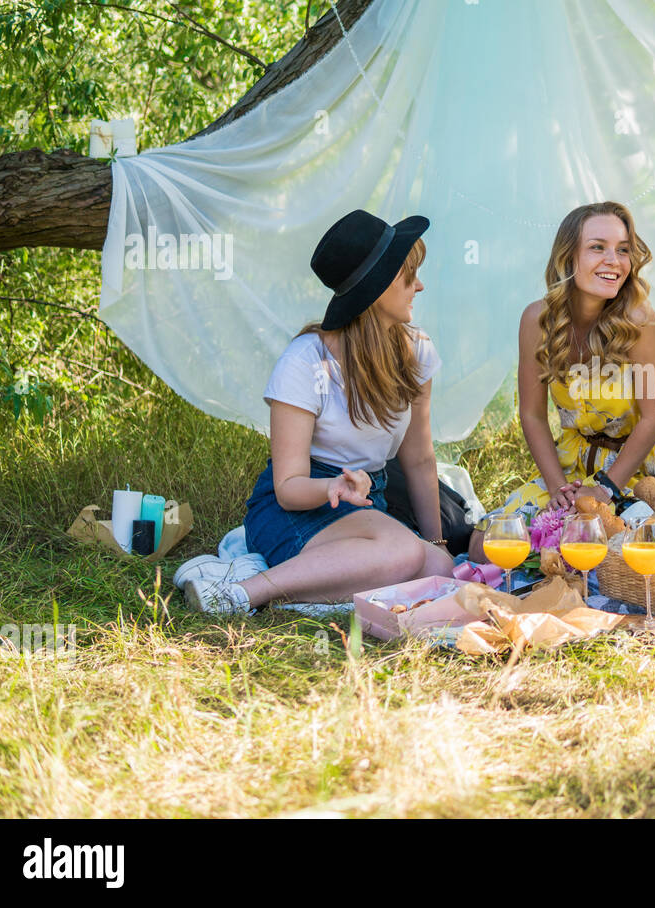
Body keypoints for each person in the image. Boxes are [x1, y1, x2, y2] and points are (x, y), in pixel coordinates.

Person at [182, 209, 455, 613]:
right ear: (378, 288)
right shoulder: (304, 363)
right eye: (407, 276)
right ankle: (239, 594)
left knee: (437, 567)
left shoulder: (417, 352)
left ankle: (330, 572)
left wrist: (438, 545)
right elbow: (288, 487)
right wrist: (332, 489)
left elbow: (418, 458)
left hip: (366, 501)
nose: (420, 285)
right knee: (400, 553)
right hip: (300, 504)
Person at [468, 201, 655, 563]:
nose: (614, 260)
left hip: (641, 466)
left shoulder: (641, 321)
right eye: (598, 247)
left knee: (622, 550)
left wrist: (607, 487)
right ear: (569, 257)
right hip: (573, 464)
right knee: (485, 545)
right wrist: (556, 487)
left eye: (623, 250)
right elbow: (532, 415)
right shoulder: (537, 320)